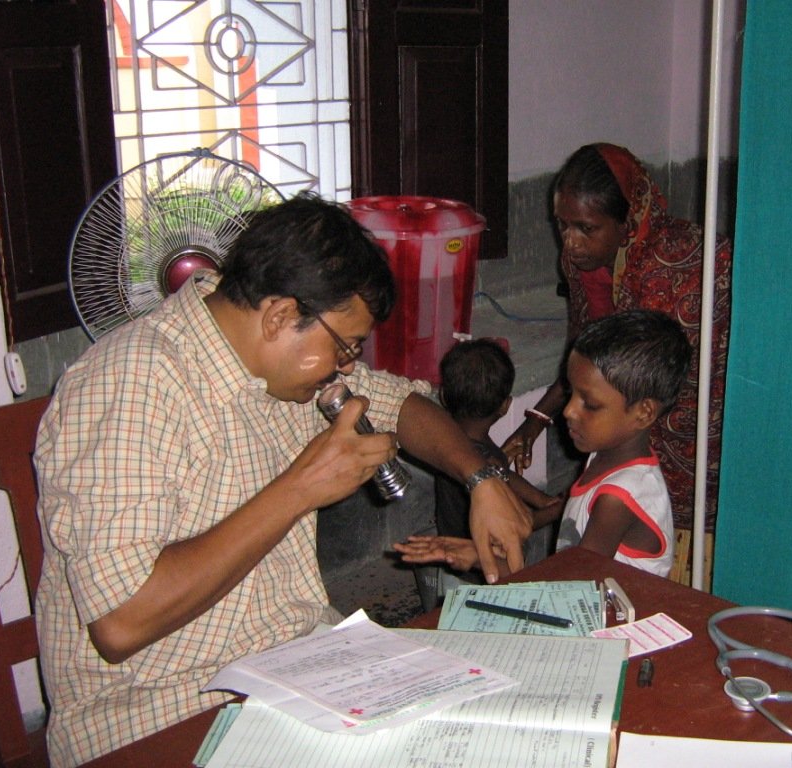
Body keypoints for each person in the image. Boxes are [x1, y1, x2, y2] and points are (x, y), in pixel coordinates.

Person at [33, 193, 532, 767]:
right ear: (277, 316)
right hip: (163, 712)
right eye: (343, 346)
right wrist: (299, 488)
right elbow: (121, 623)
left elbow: (398, 402)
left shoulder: (283, 368)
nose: (347, 367)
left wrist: (482, 478)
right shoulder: (128, 387)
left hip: (295, 673)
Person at [502, 143, 732, 563]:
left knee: (661, 540)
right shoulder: (583, 263)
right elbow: (586, 355)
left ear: (627, 222)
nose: (569, 243)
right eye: (562, 225)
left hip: (695, 434)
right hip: (626, 420)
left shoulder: (676, 266)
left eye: (586, 228)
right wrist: (534, 422)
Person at [398, 310, 691, 578]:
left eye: (588, 403)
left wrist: (481, 558)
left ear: (643, 413)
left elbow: (570, 589)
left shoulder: (617, 499)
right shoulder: (605, 456)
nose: (568, 411)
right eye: (570, 392)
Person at [406, 339, 563, 603]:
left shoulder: (451, 446)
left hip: (455, 562)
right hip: (483, 570)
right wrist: (557, 509)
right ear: (505, 406)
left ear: (443, 396)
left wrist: (541, 498)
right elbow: (515, 526)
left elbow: (499, 477)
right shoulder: (483, 457)